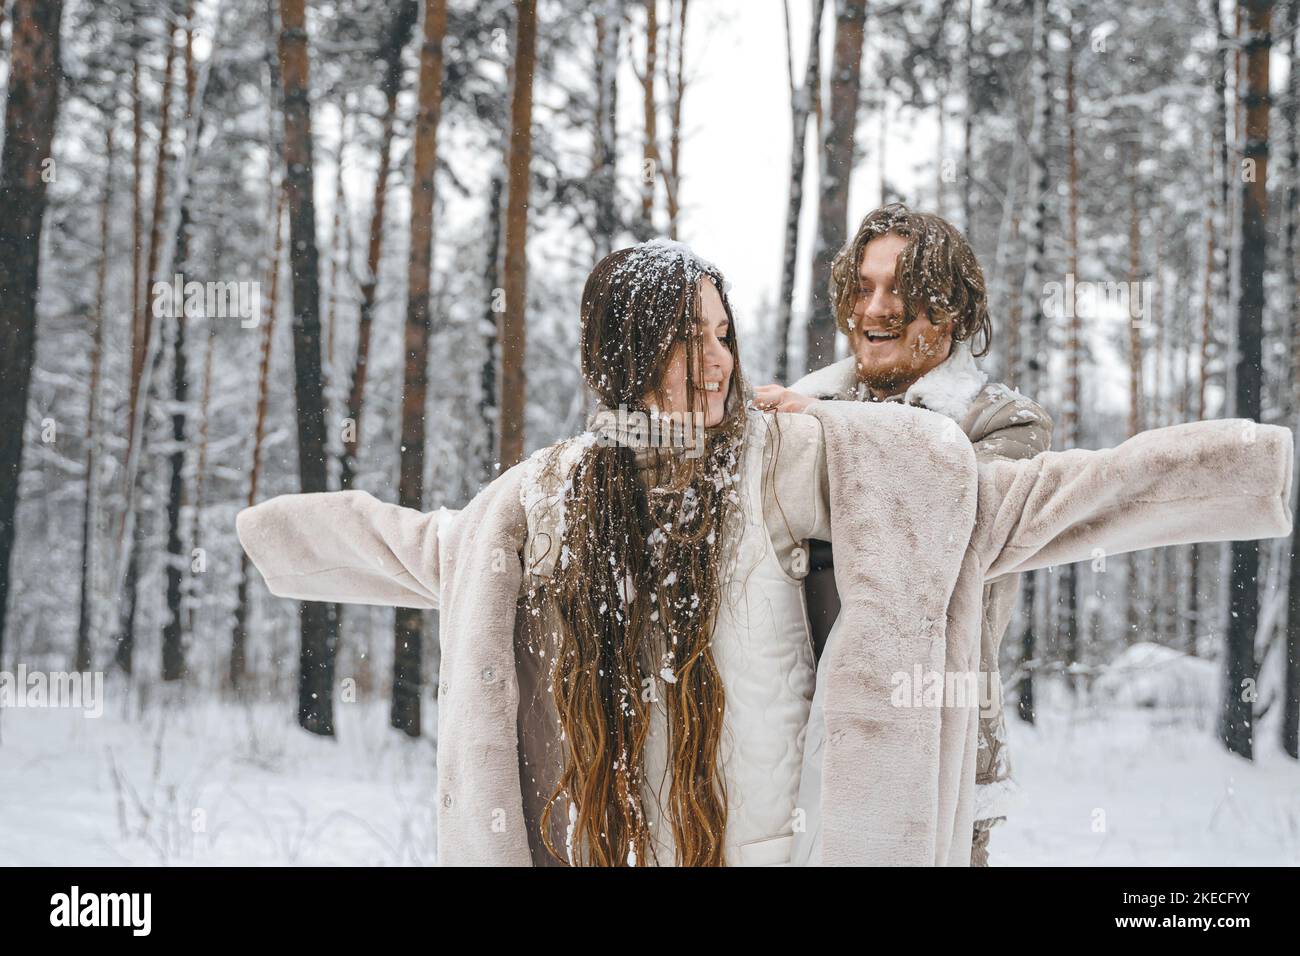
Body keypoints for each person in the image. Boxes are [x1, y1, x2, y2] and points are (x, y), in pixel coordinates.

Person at [237, 239, 1294, 867]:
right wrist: (270, 536)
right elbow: (420, 548)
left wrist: (1249, 474)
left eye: (722, 332)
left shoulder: (784, 458)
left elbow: (1015, 506)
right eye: (682, 335)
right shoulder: (548, 495)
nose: (713, 361)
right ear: (618, 350)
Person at [756, 202, 1051, 865]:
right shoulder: (809, 406)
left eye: (904, 291)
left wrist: (828, 431)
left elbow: (950, 517)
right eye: (864, 287)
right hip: (796, 751)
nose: (877, 309)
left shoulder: (1002, 423)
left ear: (952, 309)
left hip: (932, 754)